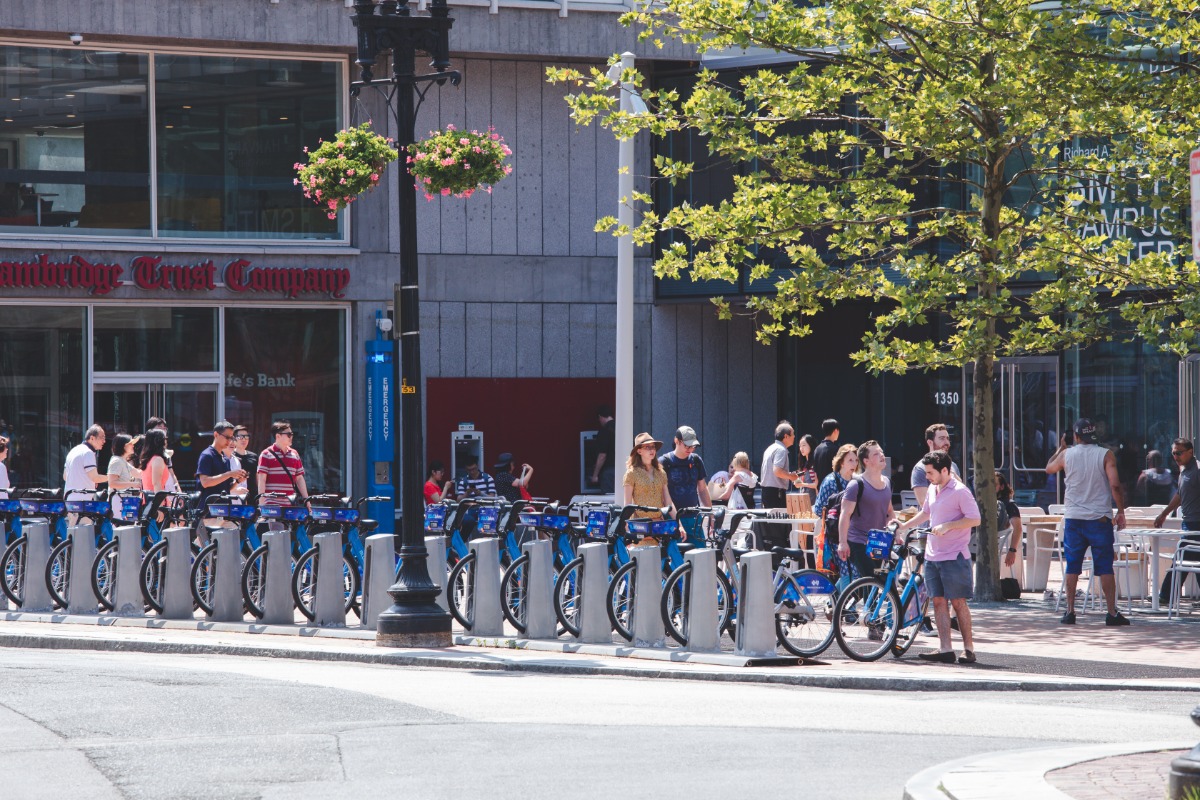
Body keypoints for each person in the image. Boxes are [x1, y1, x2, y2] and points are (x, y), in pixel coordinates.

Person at [1045, 417, 1131, 626]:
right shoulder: (1105, 455)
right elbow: (1115, 485)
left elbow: (1049, 468)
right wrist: (1120, 511)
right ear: (1094, 435)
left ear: (1075, 436)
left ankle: (1070, 611)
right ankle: (1111, 613)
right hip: (1099, 519)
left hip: (1074, 518)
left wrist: (1060, 448)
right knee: (1105, 567)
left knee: (1072, 566)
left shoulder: (1067, 454)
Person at [898, 450, 981, 664]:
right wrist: (905, 526)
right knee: (938, 601)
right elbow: (925, 512)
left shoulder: (961, 491)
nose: (927, 477)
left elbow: (975, 519)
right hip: (933, 555)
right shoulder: (933, 489)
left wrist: (948, 526)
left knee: (958, 602)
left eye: (930, 472)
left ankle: (969, 649)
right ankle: (945, 649)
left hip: (954, 556)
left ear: (945, 470)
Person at [837, 440, 894, 581]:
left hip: (879, 541)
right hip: (859, 541)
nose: (881, 455)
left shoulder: (887, 482)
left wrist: (895, 530)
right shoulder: (856, 484)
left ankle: (841, 598)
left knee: (881, 583)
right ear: (866, 461)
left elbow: (890, 511)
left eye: (881, 452)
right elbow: (845, 515)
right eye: (876, 453)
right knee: (872, 581)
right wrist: (842, 542)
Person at [1154, 438, 1200, 607]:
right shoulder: (1184, 471)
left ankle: (1165, 595)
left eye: (1179, 453)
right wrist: (1164, 514)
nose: (1175, 456)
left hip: (1196, 525)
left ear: (1190, 452)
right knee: (1191, 561)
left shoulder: (1197, 470)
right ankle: (1167, 595)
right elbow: (1179, 496)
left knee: (1181, 559)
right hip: (1187, 523)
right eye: (1173, 453)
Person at [814, 443, 858, 583]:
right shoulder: (830, 481)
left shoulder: (857, 481)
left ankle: (835, 599)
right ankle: (841, 603)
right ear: (841, 462)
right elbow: (819, 508)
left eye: (856, 460)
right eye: (850, 460)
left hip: (854, 532)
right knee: (846, 569)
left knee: (854, 570)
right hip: (835, 534)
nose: (854, 464)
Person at [661, 426, 711, 545]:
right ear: (676, 441)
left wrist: (711, 514)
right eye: (687, 446)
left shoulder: (696, 460)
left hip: (694, 516)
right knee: (676, 558)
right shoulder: (664, 462)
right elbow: (663, 496)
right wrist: (676, 522)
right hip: (672, 518)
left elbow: (702, 489)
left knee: (701, 555)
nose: (690, 449)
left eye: (693, 446)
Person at [623, 432, 675, 544]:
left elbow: (668, 501)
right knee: (643, 559)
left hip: (659, 526)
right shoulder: (631, 473)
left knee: (661, 559)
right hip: (640, 527)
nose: (652, 450)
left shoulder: (661, 472)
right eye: (647, 447)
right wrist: (626, 526)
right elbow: (627, 505)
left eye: (653, 447)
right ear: (639, 451)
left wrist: (678, 524)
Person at [196, 421, 247, 512]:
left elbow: (227, 488)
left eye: (231, 438)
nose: (230, 441)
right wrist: (229, 474)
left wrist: (238, 481)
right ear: (216, 434)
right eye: (227, 437)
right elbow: (205, 482)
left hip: (226, 510)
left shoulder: (225, 458)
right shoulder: (207, 455)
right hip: (209, 511)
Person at [257, 421, 309, 505]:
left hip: (290, 504)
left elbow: (299, 478)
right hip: (271, 504)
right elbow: (262, 480)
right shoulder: (266, 454)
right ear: (278, 436)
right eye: (289, 434)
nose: (291, 437)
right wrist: (261, 504)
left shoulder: (294, 454)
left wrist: (307, 500)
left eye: (292, 434)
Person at [911, 423, 960, 506]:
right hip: (934, 518)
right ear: (930, 442)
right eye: (942, 439)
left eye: (947, 438)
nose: (947, 442)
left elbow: (961, 493)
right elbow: (924, 503)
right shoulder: (920, 469)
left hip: (954, 518)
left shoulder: (953, 466)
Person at [760, 422, 803, 510]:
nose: (794, 436)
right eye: (793, 434)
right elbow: (777, 471)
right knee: (779, 522)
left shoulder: (770, 448)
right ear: (786, 436)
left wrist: (789, 475)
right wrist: (791, 476)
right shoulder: (781, 450)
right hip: (776, 493)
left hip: (767, 492)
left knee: (770, 522)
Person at [63, 425, 109, 495]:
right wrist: (111, 478)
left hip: (69, 497)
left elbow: (65, 477)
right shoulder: (88, 452)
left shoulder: (73, 450)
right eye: (102, 437)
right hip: (82, 499)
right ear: (92, 438)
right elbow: (95, 478)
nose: (104, 441)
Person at [995, 471, 1022, 572]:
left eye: (994, 484)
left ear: (1001, 487)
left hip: (995, 545)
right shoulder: (983, 504)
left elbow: (1018, 528)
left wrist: (1012, 550)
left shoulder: (1009, 504)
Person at [145, 416, 180, 492]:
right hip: (149, 492)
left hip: (165, 489)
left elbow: (171, 473)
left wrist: (178, 490)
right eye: (160, 427)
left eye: (164, 428)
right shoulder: (145, 449)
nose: (163, 430)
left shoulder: (164, 453)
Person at [588, 405, 616, 493]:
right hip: (625, 470)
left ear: (600, 417)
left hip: (609, 472)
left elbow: (602, 456)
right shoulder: (623, 428)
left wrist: (595, 475)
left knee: (609, 501)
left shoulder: (605, 430)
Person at [230, 426, 258, 504]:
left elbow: (257, 478)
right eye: (241, 437)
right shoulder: (230, 456)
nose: (244, 439)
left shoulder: (254, 456)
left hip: (252, 496)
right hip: (236, 497)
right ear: (234, 439)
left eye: (246, 437)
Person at [139, 429, 171, 493]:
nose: (166, 441)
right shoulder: (157, 459)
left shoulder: (148, 459)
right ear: (160, 441)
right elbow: (156, 484)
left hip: (147, 500)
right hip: (155, 500)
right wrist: (158, 503)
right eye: (165, 438)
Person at [811, 419, 840, 483]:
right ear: (836, 430)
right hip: (832, 486)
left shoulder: (817, 449)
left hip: (820, 488)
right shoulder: (835, 449)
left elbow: (815, 472)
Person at [795, 433, 819, 500]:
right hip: (803, 498)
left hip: (812, 500)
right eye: (800, 446)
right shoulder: (804, 463)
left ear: (811, 445)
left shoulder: (813, 464)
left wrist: (802, 484)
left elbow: (815, 485)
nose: (801, 448)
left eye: (804, 445)